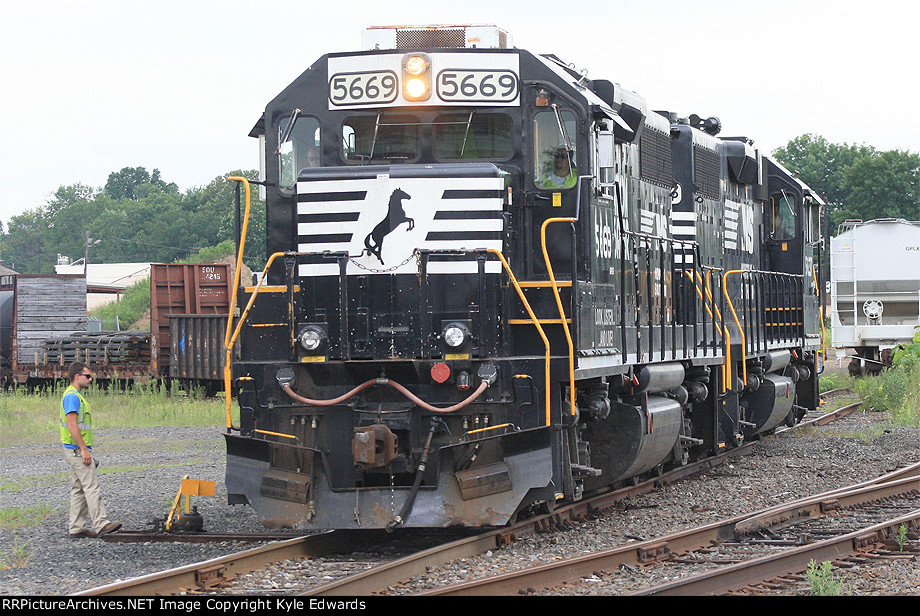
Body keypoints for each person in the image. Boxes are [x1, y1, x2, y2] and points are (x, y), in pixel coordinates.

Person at [61, 362, 121, 539]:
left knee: (78, 488)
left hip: (75, 449)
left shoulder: (75, 396)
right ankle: (101, 524)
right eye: (87, 376)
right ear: (77, 376)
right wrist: (84, 450)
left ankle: (76, 528)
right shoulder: (72, 397)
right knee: (91, 486)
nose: (91, 379)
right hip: (77, 450)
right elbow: (72, 424)